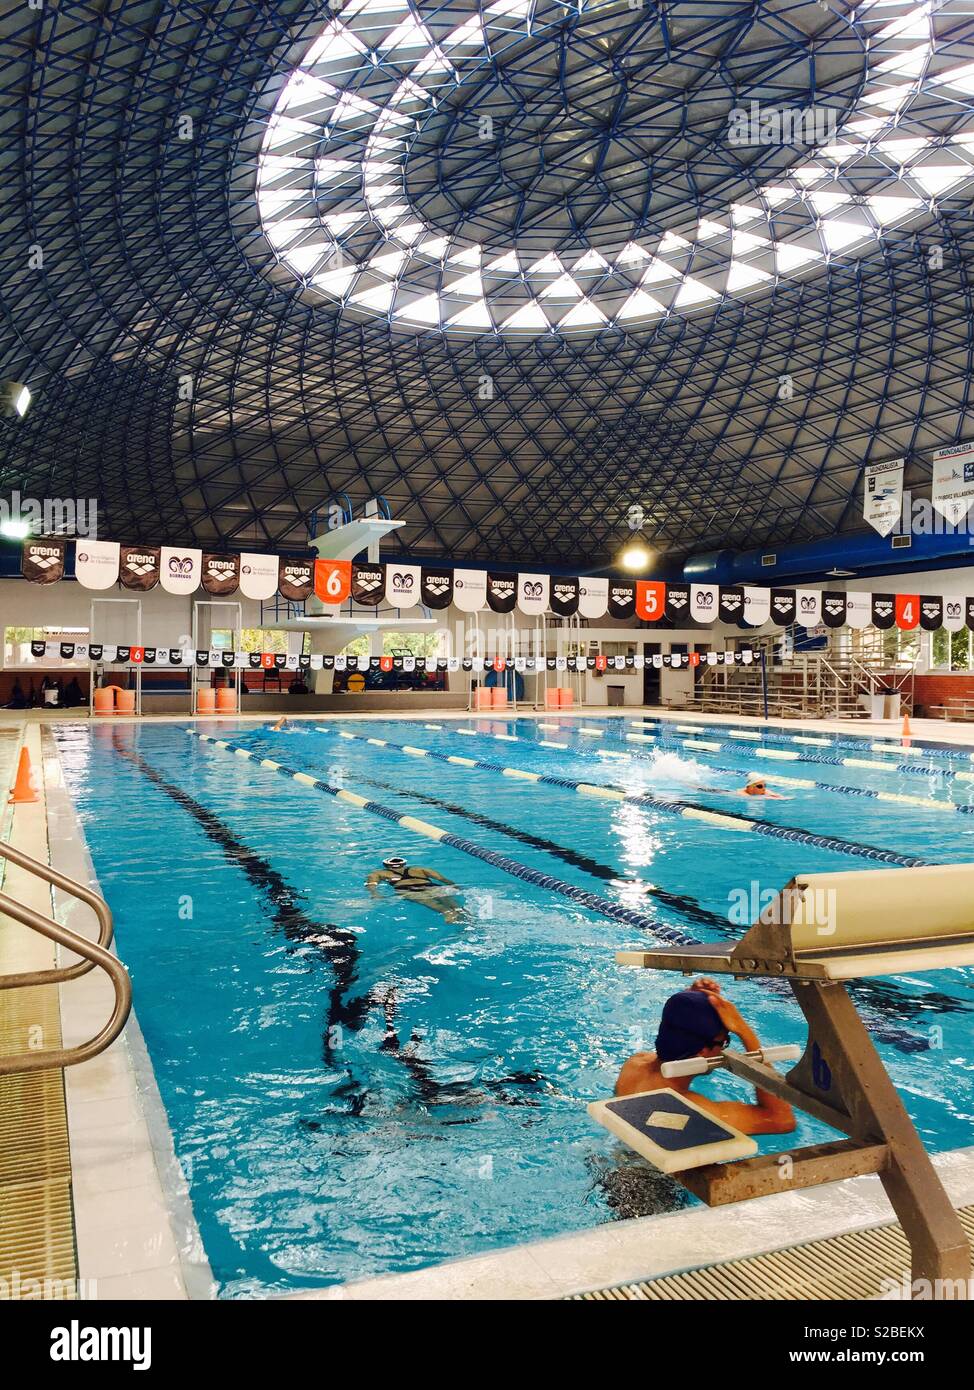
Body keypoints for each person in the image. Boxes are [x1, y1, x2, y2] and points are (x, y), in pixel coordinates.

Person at [614, 977, 795, 1136]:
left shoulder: (634, 1065)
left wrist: (693, 1001)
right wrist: (745, 1031)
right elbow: (782, 1119)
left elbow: (678, 1024)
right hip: (656, 1176)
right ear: (702, 1051)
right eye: (724, 1042)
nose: (723, 1050)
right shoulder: (695, 1111)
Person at [366, 855, 466, 923]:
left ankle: (447, 913)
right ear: (404, 864)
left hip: (407, 890)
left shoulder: (378, 873)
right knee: (452, 903)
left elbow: (371, 884)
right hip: (431, 886)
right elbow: (442, 879)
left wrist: (375, 894)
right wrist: (456, 886)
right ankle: (462, 913)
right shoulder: (419, 869)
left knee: (429, 902)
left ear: (386, 865)